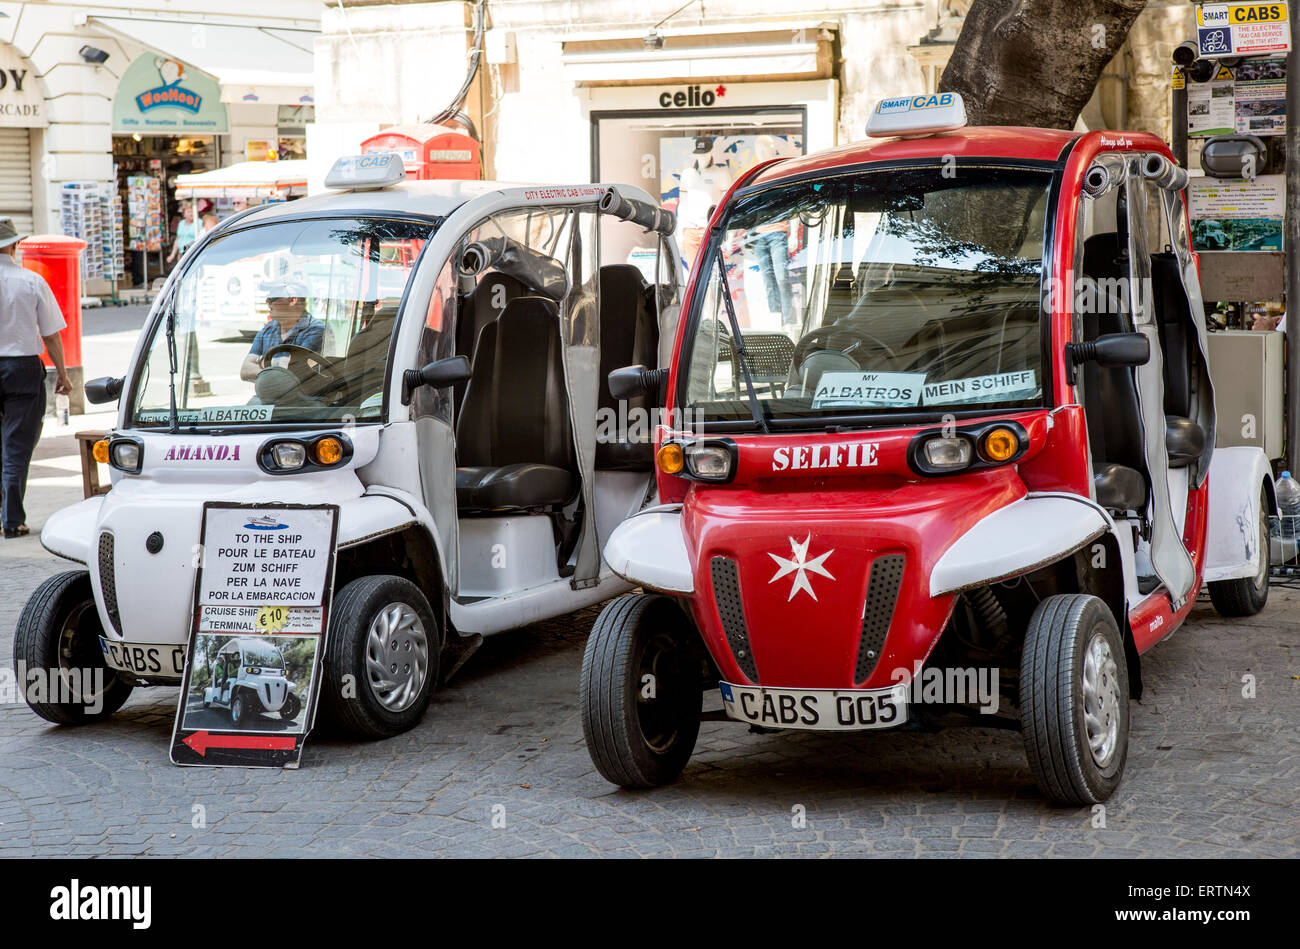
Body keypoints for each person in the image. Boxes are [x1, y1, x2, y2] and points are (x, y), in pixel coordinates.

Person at [0, 217, 73, 539]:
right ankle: (12, 520)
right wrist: (64, 374)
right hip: (23, 369)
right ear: (14, 245)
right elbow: (52, 335)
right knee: (16, 446)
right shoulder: (31, 281)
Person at [240, 278, 324, 382]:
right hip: (267, 396)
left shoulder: (315, 330)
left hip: (299, 397)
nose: (267, 301)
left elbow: (295, 371)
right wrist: (276, 367)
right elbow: (244, 370)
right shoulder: (268, 330)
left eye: (273, 297)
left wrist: (261, 362)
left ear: (293, 300)